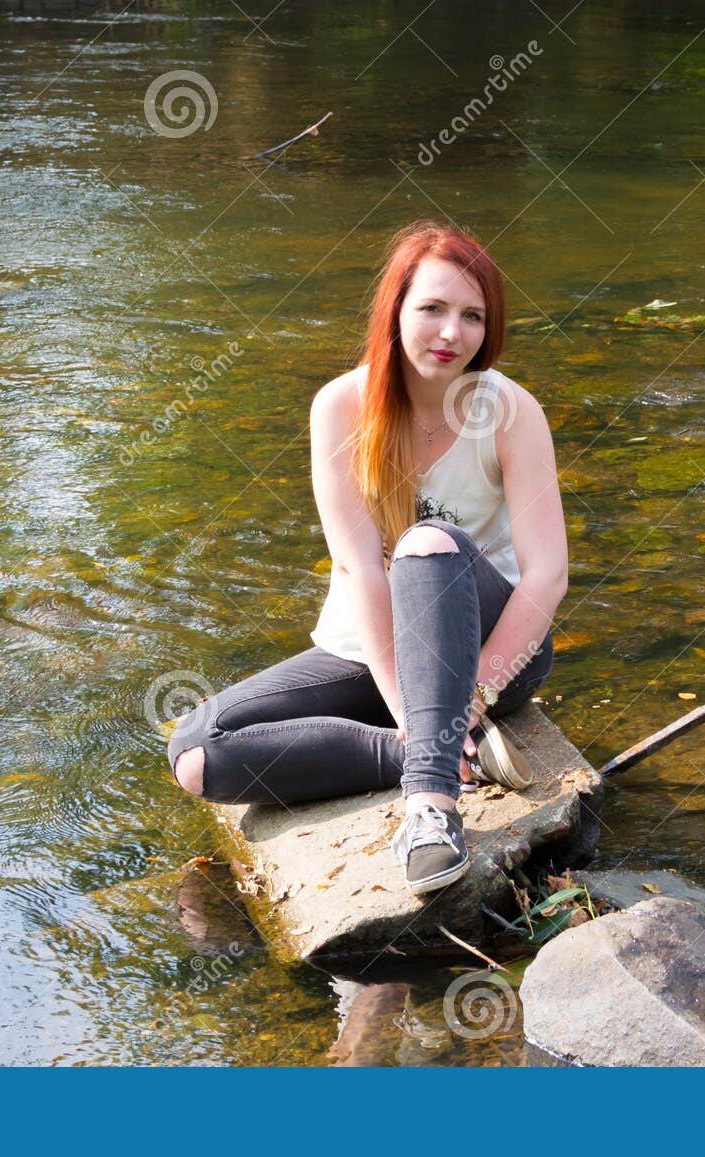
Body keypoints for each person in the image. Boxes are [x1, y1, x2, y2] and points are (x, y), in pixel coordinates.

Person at [166, 219, 568, 894]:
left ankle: (432, 810)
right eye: (433, 309)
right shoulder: (342, 408)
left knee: (425, 544)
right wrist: (414, 722)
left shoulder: (509, 412)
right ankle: (426, 755)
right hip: (373, 648)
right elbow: (355, 569)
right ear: (396, 312)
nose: (452, 333)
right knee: (198, 756)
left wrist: (478, 694)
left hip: (488, 648)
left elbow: (548, 573)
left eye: (473, 316)